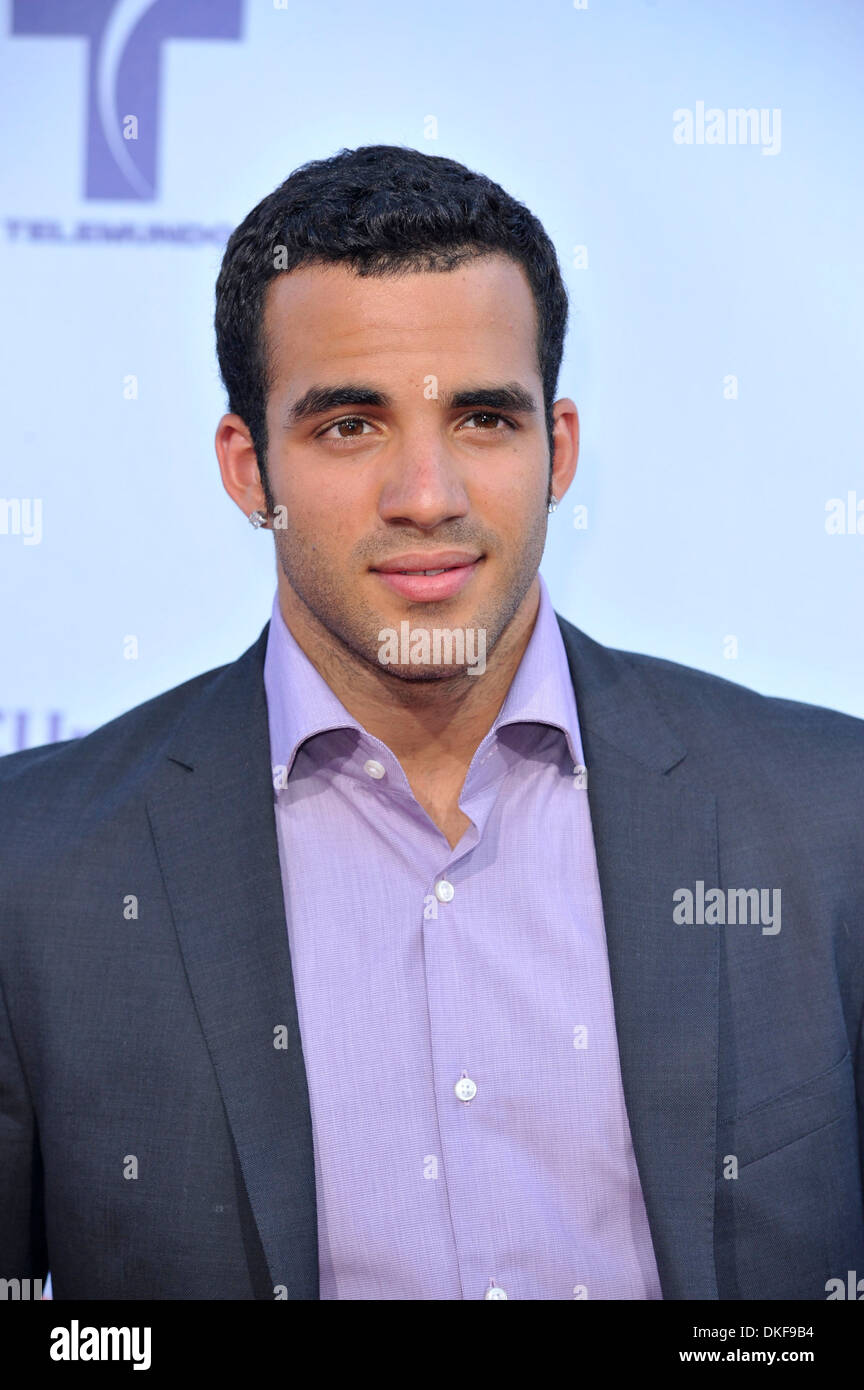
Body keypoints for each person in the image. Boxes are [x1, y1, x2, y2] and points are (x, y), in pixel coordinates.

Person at [1, 145, 862, 1301]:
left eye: (482, 420)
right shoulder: (37, 869)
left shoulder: (825, 818)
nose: (428, 494)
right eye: (350, 426)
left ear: (556, 449)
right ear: (248, 469)